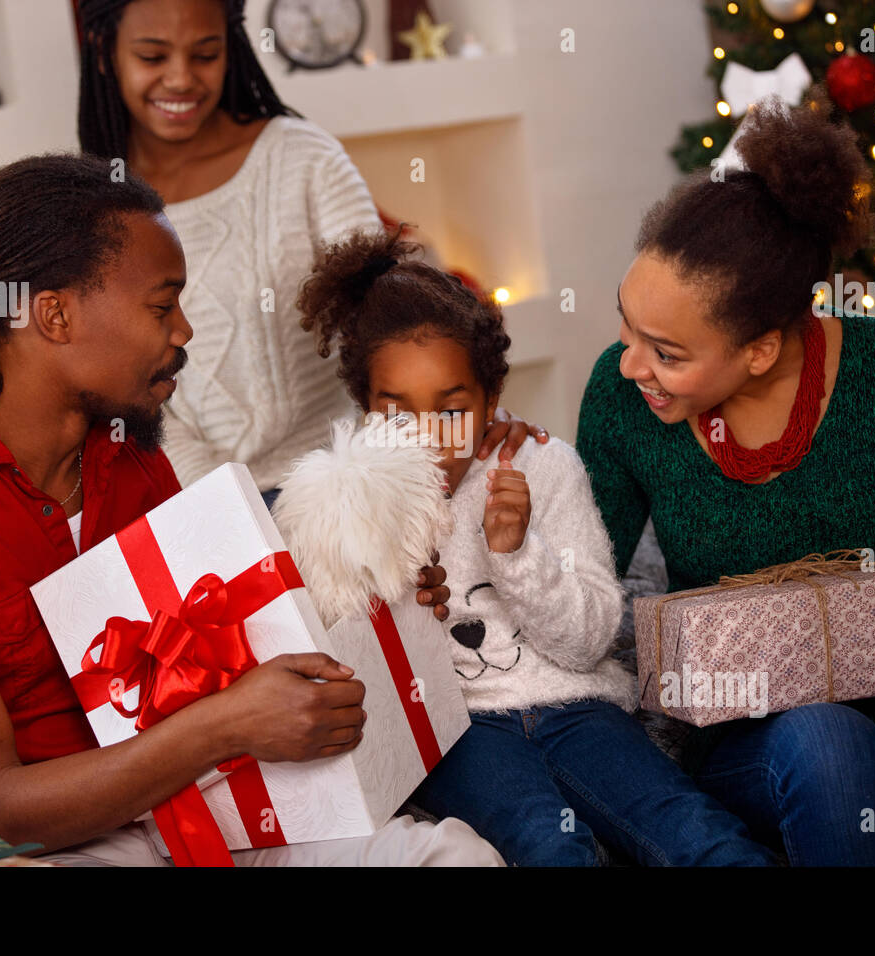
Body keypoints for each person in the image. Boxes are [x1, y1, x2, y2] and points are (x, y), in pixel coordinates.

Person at [0, 154, 502, 867]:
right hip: (37, 851)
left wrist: (379, 605)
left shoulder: (126, 454)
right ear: (54, 314)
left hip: (197, 800)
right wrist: (221, 728)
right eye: (162, 306)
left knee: (451, 857)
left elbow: (224, 648)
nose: (185, 331)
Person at [575, 93, 875, 866]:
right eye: (626, 324)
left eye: (666, 351)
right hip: (760, 727)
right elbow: (580, 574)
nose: (630, 364)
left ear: (759, 350)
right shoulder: (620, 398)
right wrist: (518, 495)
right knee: (826, 743)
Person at [296, 226, 776, 866]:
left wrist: (516, 553)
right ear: (364, 407)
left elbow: (590, 640)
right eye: (398, 410)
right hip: (459, 733)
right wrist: (403, 595)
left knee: (697, 834)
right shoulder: (340, 501)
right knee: (551, 845)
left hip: (578, 709)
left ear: (491, 399)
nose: (429, 436)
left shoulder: (545, 467)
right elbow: (353, 666)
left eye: (451, 406)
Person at [76, 0, 544, 509]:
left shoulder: (304, 158)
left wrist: (466, 415)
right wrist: (224, 505)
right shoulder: (94, 202)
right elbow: (123, 380)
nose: (181, 78)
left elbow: (392, 317)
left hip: (346, 480)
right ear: (104, 51)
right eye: (152, 56)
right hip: (194, 498)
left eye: (206, 54)